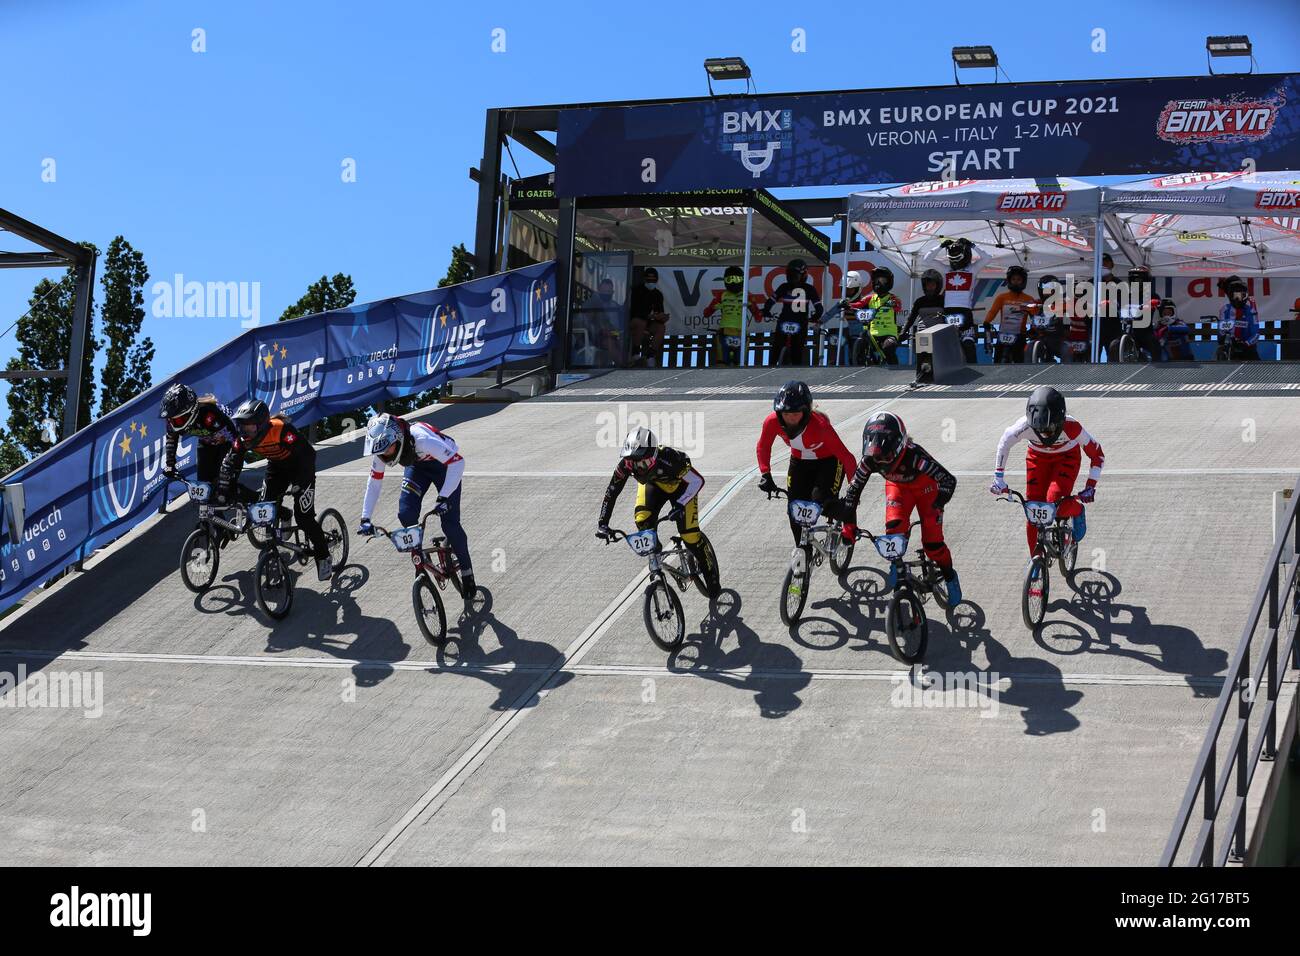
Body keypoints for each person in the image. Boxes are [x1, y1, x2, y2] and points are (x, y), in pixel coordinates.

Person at [841, 412, 961, 603]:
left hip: (927, 489)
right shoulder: (869, 459)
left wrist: (937, 506)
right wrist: (848, 525)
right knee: (893, 533)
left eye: (886, 456)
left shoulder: (915, 457)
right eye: (876, 457)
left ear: (898, 446)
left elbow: (948, 481)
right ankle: (897, 565)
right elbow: (853, 492)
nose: (880, 461)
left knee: (933, 545)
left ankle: (949, 576)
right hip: (899, 489)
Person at [356, 412, 476, 602]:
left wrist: (443, 497)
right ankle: (420, 560)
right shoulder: (383, 450)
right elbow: (374, 482)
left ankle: (467, 571)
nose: (384, 456)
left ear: (397, 438)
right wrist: (365, 518)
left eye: (387, 450)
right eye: (380, 452)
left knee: (450, 524)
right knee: (406, 513)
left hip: (445, 467)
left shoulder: (422, 439)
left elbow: (458, 463)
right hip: (417, 468)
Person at [596, 427, 721, 597]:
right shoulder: (626, 464)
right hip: (653, 487)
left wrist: (680, 504)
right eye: (633, 462)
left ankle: (711, 576)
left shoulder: (670, 459)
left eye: (643, 462)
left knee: (690, 536)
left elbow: (697, 481)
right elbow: (612, 491)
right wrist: (602, 523)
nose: (638, 468)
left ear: (654, 455)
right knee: (642, 520)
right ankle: (657, 556)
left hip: (683, 489)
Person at [989, 386, 1105, 563]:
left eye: (1050, 429)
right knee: (1033, 510)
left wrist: (1090, 486)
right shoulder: (1023, 426)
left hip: (1066, 458)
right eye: (1039, 429)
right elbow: (1004, 443)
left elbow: (1097, 455)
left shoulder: (1072, 426)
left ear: (1060, 420)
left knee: (1055, 500)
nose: (1044, 434)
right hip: (1038, 459)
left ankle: (1077, 509)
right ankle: (1036, 559)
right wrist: (998, 477)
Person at [224, 400, 334, 581]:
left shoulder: (282, 430)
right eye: (242, 427)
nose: (244, 432)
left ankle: (323, 557)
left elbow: (308, 455)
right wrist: (225, 480)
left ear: (261, 424)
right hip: (276, 469)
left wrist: (299, 483)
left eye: (248, 427)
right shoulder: (243, 439)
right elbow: (232, 460)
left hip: (301, 468)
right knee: (264, 509)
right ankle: (277, 531)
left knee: (304, 518)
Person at [755, 381, 857, 544]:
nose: (790, 419)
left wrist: (854, 490)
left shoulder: (821, 426)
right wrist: (765, 473)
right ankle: (802, 550)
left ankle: (850, 522)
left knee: (820, 502)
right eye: (786, 414)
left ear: (806, 411)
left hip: (829, 462)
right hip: (800, 462)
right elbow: (763, 446)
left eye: (795, 414)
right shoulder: (772, 421)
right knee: (794, 509)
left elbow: (847, 458)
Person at [159, 383, 255, 508]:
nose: (174, 423)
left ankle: (258, 500)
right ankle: (217, 526)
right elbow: (171, 439)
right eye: (171, 420)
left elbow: (234, 439)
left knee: (224, 487)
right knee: (204, 490)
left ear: (191, 410)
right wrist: (170, 465)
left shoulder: (209, 415)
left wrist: (229, 467)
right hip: (206, 444)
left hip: (229, 443)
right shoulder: (172, 421)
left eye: (178, 420)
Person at [762, 259, 824, 366]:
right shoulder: (810, 289)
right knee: (797, 351)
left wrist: (766, 311)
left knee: (776, 349)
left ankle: (770, 367)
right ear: (804, 275)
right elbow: (819, 309)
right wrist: (814, 317)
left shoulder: (784, 287)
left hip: (783, 322)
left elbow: (769, 302)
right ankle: (795, 370)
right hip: (801, 323)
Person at [845, 266, 904, 365]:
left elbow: (898, 306)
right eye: (876, 280)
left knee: (888, 347)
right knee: (862, 340)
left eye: (882, 280)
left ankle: (895, 370)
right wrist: (847, 305)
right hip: (873, 334)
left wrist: (893, 303)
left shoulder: (893, 298)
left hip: (888, 334)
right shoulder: (870, 298)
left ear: (889, 282)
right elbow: (858, 304)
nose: (878, 283)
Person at [702, 266, 757, 367]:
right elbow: (706, 313)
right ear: (725, 281)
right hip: (726, 332)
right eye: (729, 279)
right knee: (722, 364)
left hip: (740, 333)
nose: (733, 282)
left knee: (740, 365)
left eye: (736, 279)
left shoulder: (747, 295)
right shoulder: (721, 295)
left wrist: (751, 306)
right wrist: (715, 307)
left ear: (742, 280)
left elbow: (758, 316)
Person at [938, 237, 982, 362]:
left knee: (968, 344)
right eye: (952, 257)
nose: (955, 260)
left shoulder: (972, 270)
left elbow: (987, 257)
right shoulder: (947, 270)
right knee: (948, 346)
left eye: (958, 256)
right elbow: (927, 260)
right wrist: (941, 246)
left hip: (965, 312)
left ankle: (974, 374)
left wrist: (973, 244)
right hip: (948, 312)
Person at [1106, 266, 1162, 362]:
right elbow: (1115, 301)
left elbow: (1159, 303)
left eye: (1139, 280)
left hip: (1144, 332)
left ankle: (1157, 371)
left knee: (1154, 344)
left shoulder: (1151, 295)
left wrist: (1154, 303)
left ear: (1145, 281)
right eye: (1134, 280)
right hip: (1127, 329)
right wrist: (1107, 303)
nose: (1136, 282)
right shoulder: (1125, 294)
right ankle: (1113, 372)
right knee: (1113, 345)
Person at [984, 265, 1034, 363]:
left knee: (1019, 360)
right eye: (1013, 279)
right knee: (997, 360)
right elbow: (993, 311)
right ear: (1009, 280)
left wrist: (1034, 328)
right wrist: (987, 321)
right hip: (1003, 333)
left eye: (1019, 279)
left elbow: (1034, 316)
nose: (1016, 282)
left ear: (1023, 281)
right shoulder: (1002, 297)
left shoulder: (1028, 299)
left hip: (1020, 335)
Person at [1025, 275, 1073, 363]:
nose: (1050, 292)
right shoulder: (1036, 302)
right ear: (1041, 290)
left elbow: (1068, 309)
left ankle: (1067, 373)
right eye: (1046, 289)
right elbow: (1027, 306)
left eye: (1053, 290)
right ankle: (1028, 372)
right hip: (1039, 336)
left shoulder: (1062, 303)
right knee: (1029, 346)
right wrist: (1025, 308)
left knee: (1067, 348)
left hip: (1058, 339)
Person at [629, 267, 669, 367]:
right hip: (633, 321)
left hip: (650, 323)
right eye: (648, 279)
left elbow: (659, 311)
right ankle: (635, 353)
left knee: (661, 327)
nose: (651, 282)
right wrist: (649, 316)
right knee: (640, 322)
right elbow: (632, 311)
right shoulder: (635, 291)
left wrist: (662, 317)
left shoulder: (658, 294)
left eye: (653, 280)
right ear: (644, 279)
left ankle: (650, 356)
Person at [1219, 278, 1262, 360]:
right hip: (1230, 348)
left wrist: (1245, 344)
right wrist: (1229, 339)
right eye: (1234, 295)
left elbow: (1256, 333)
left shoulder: (1251, 310)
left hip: (1247, 348)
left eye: (1239, 295)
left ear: (1245, 296)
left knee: (1257, 369)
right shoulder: (1225, 309)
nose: (1237, 299)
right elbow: (1222, 331)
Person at [901, 268, 946, 340]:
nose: (930, 287)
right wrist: (903, 332)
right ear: (924, 286)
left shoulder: (943, 300)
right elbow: (910, 319)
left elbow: (949, 318)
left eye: (933, 285)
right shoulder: (919, 301)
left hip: (939, 335)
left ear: (938, 286)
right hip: (923, 335)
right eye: (928, 285)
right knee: (923, 351)